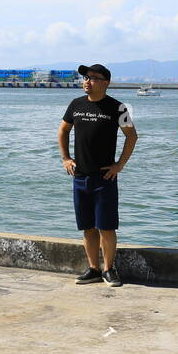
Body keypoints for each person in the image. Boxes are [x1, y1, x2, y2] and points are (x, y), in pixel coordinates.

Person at [58, 64, 136, 287]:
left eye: (93, 78)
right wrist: (66, 158)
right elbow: (63, 130)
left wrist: (119, 165)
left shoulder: (117, 107)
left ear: (106, 82)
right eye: (85, 77)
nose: (87, 81)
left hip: (105, 179)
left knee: (106, 227)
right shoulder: (76, 104)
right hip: (80, 177)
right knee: (88, 227)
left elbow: (131, 136)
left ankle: (109, 269)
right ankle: (93, 269)